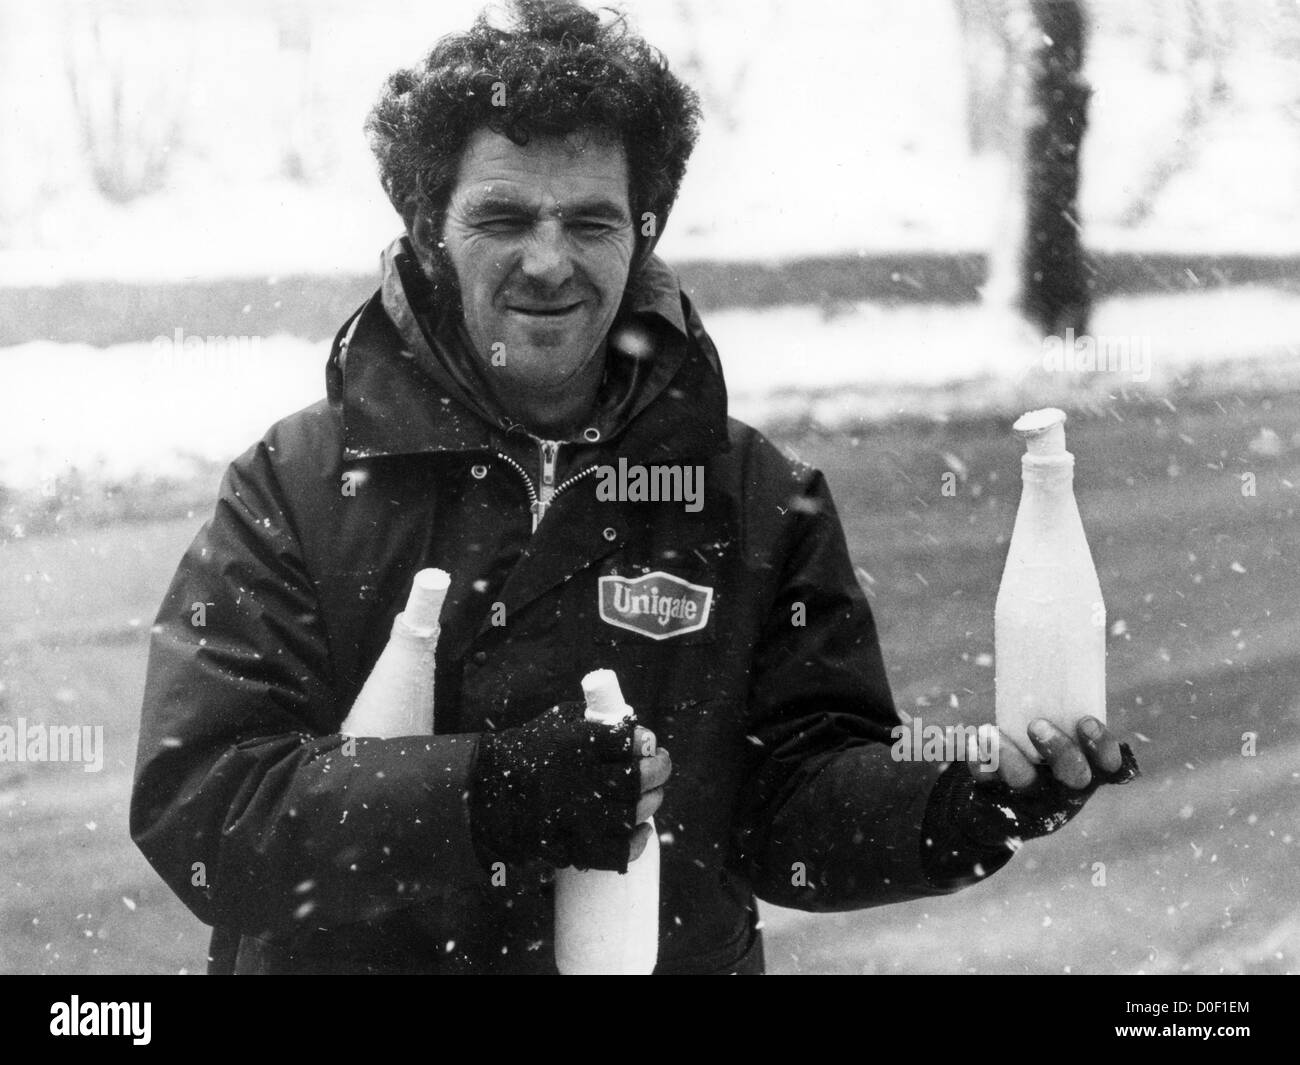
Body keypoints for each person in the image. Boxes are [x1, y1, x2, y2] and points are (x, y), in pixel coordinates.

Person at [130, 0, 1137, 975]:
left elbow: (789, 803)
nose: (547, 260)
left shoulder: (748, 493)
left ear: (643, 231)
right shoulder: (297, 486)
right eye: (502, 216)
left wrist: (964, 801)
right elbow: (203, 807)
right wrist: (487, 795)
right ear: (432, 231)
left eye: (590, 221)